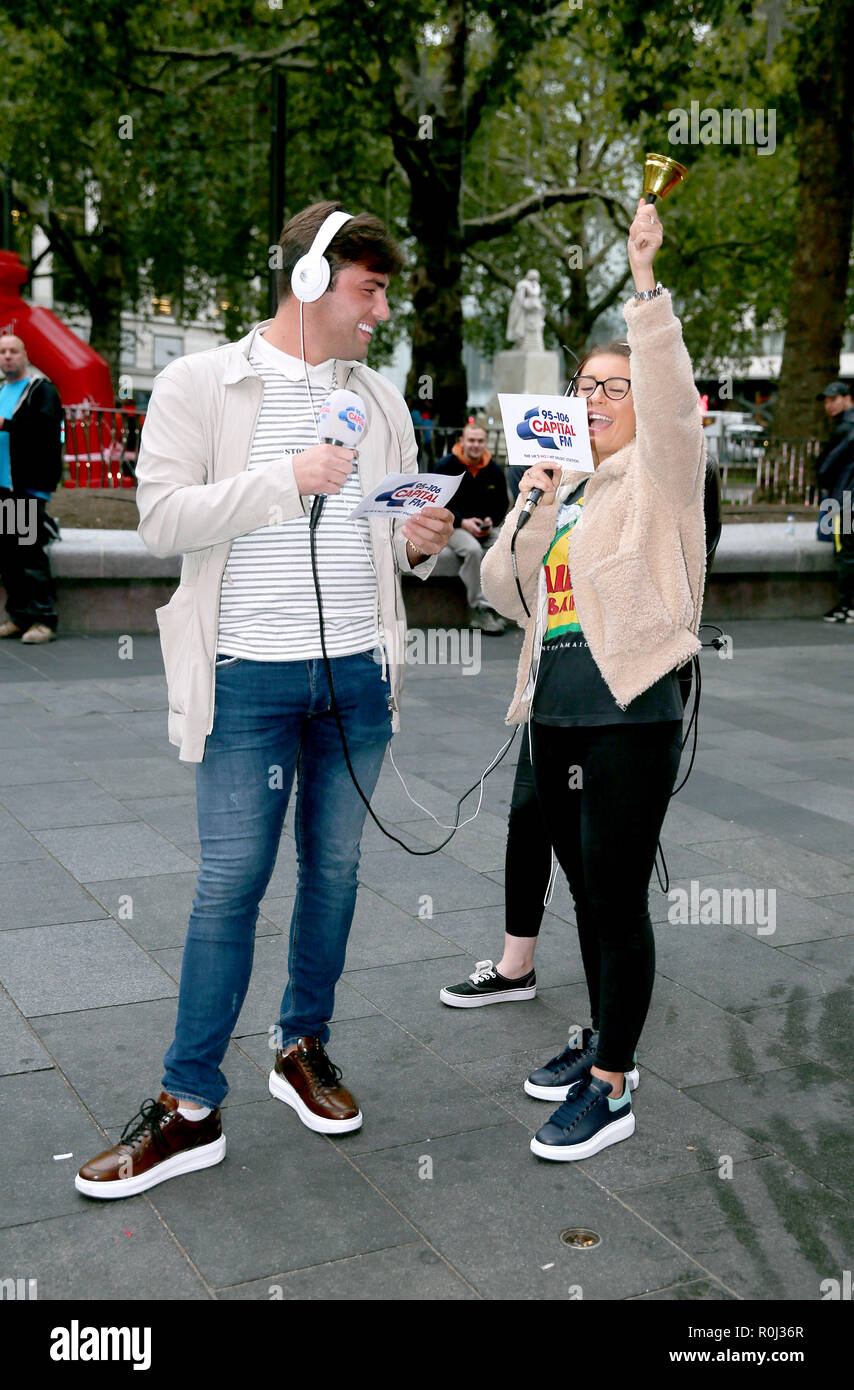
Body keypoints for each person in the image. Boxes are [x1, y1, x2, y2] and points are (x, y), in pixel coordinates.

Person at [75, 201, 454, 1199]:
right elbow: (159, 518)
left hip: (356, 678)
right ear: (311, 281)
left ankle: (302, 1046)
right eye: (368, 290)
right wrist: (281, 479)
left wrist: (417, 546)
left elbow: (386, 531)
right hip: (246, 676)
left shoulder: (375, 397)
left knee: (332, 873)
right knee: (229, 885)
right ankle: (187, 1105)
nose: (379, 311)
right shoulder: (202, 383)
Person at [467, 198, 707, 1162]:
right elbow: (502, 592)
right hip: (556, 714)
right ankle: (609, 1039)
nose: (598, 399)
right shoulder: (566, 491)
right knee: (585, 888)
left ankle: (613, 1085)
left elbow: (667, 382)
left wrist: (645, 284)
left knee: (615, 895)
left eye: (614, 387)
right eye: (586, 387)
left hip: (628, 713)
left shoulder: (661, 476)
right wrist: (529, 505)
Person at [0, 334, 63, 644]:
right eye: (2, 352)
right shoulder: (1, 390)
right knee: (9, 557)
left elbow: (45, 427)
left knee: (27, 554)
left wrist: (7, 424)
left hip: (24, 488)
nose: (8, 356)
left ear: (25, 355)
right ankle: (19, 617)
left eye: (13, 351)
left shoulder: (40, 389)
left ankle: (42, 620)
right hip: (3, 488)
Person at [434, 419, 510, 634]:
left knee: (505, 547)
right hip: (452, 527)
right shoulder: (446, 466)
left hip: (483, 528)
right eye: (471, 440)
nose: (475, 445)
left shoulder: (493, 469)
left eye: (479, 441)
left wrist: (489, 521)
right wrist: (462, 522)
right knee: (473, 551)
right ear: (462, 441)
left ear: (485, 442)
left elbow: (501, 504)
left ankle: (501, 605)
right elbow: (437, 502)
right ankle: (480, 610)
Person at [815, 381, 854, 622]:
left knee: (844, 551)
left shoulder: (845, 427)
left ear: (848, 398)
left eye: (834, 399)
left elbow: (828, 466)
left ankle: (846, 606)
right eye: (827, 401)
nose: (829, 405)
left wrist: (822, 480)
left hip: (845, 499)